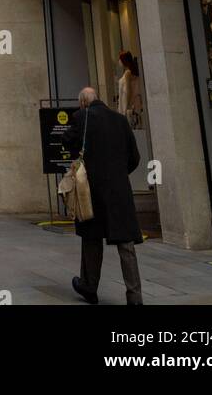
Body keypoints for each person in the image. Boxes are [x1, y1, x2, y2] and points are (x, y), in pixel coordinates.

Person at [65, 86, 144, 306]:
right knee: (126, 245)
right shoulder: (120, 120)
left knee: (91, 239)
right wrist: (118, 175)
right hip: (119, 191)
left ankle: (89, 287)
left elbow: (66, 141)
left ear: (83, 102)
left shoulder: (81, 117)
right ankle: (135, 296)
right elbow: (135, 157)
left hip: (91, 190)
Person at [117, 52, 144, 128]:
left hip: (129, 104)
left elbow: (128, 90)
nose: (119, 61)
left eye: (120, 59)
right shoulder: (132, 72)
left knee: (131, 126)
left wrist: (127, 106)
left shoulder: (127, 73)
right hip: (134, 103)